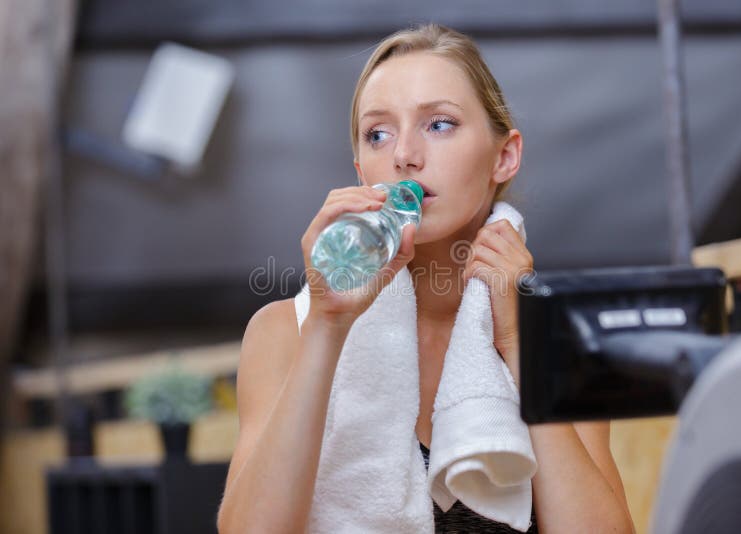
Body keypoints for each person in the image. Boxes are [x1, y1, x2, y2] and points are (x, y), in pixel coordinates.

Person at [217, 23, 635, 533]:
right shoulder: (285, 332)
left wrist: (522, 343)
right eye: (379, 133)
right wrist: (327, 328)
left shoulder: (564, 343)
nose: (404, 156)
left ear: (504, 156)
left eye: (439, 124)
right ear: (360, 173)